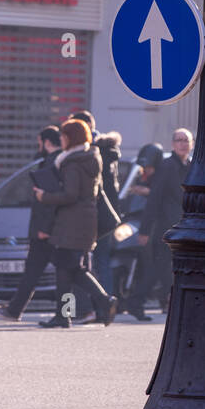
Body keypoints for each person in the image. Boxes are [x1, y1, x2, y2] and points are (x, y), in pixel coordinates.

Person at [36, 118, 118, 328]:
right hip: (83, 222)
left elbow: (70, 194)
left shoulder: (73, 162)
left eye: (64, 136)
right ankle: (64, 315)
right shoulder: (89, 158)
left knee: (73, 270)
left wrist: (44, 196)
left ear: (70, 138)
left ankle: (103, 300)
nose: (61, 140)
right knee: (67, 270)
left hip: (72, 223)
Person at [0, 126, 60, 321]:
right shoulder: (51, 161)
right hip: (47, 229)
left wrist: (43, 229)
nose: (38, 148)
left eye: (39, 143)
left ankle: (99, 303)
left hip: (47, 230)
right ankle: (14, 309)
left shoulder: (51, 163)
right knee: (34, 271)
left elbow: (47, 201)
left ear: (46, 142)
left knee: (71, 272)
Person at [132, 128, 193, 315]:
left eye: (186, 140)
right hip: (166, 228)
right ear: (173, 144)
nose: (182, 144)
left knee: (170, 268)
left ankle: (166, 302)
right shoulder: (167, 166)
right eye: (179, 140)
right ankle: (135, 303)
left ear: (191, 144)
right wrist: (144, 230)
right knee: (158, 267)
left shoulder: (192, 166)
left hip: (185, 227)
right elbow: (155, 199)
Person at [67, 111, 121, 298]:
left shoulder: (89, 153)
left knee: (78, 264)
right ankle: (106, 304)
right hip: (105, 213)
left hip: (88, 214)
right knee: (100, 260)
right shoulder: (108, 151)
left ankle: (90, 307)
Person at [122, 142, 164, 322]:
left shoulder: (161, 175)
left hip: (157, 226)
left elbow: (159, 198)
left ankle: (137, 302)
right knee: (150, 268)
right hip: (147, 226)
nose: (145, 170)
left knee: (155, 268)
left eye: (149, 166)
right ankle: (134, 302)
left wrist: (147, 191)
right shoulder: (142, 176)